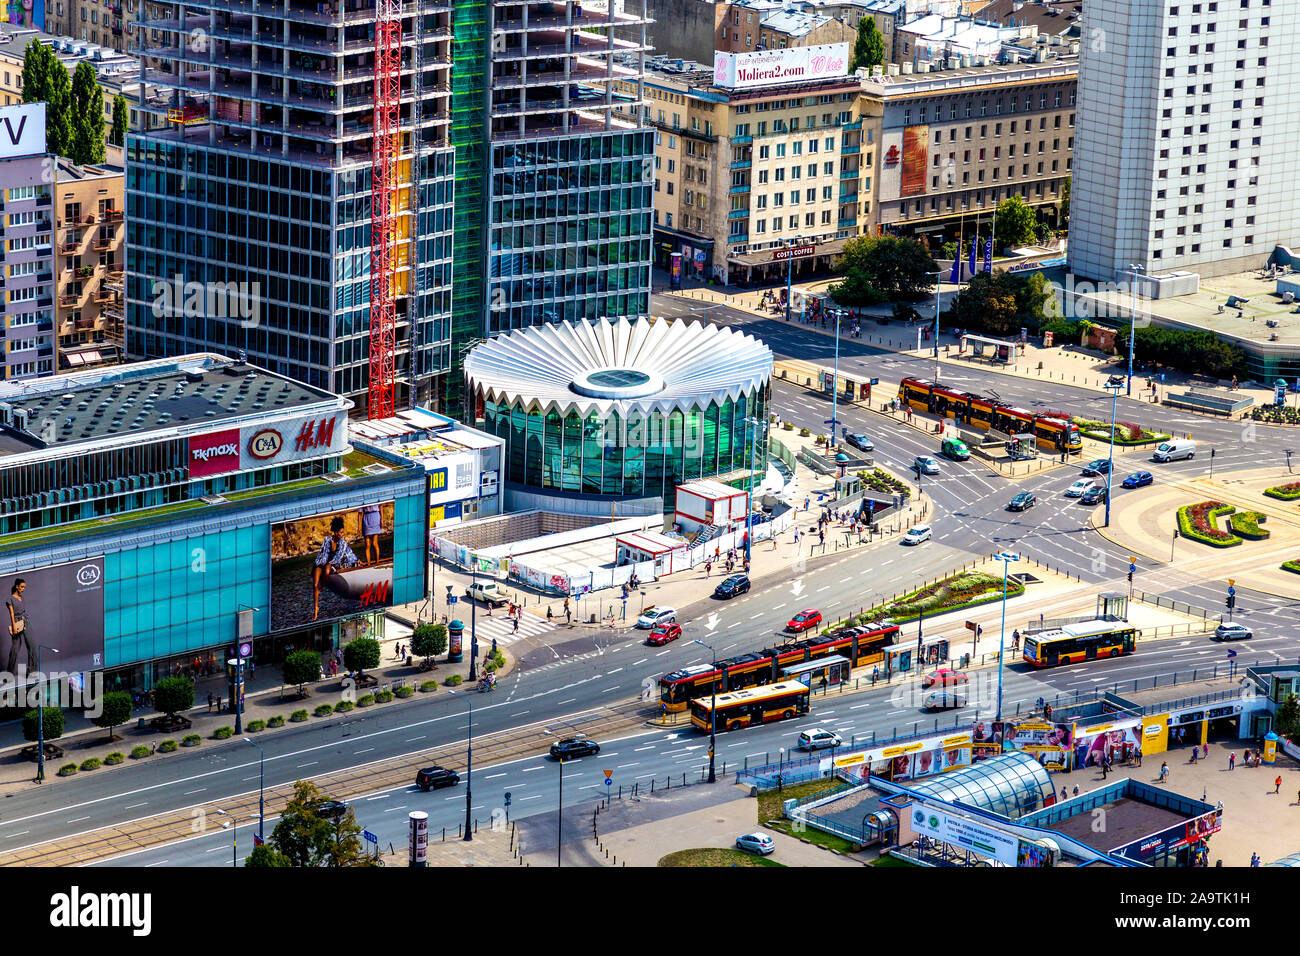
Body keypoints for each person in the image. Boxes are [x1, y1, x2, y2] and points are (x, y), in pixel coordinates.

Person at [312, 516, 360, 621]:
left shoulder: (342, 543)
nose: (342, 535)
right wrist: (319, 565)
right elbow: (322, 554)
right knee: (315, 585)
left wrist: (357, 561)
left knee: (328, 569)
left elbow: (339, 557)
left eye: (343, 532)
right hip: (322, 562)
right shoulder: (327, 539)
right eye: (341, 532)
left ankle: (322, 587)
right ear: (336, 532)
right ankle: (316, 608)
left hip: (333, 563)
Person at [5, 577, 34, 674]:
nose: (23, 589)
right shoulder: (10, 599)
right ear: (17, 587)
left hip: (26, 621)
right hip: (17, 623)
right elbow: (12, 614)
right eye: (21, 587)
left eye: (24, 587)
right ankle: (9, 674)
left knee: (32, 646)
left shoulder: (22, 597)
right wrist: (13, 627)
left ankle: (31, 671)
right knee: (15, 649)